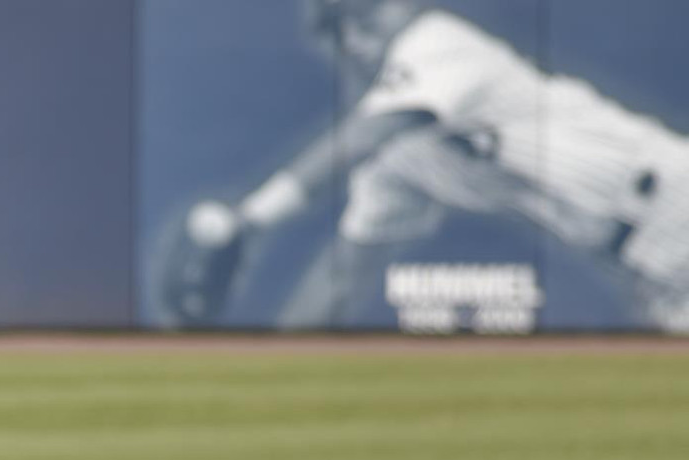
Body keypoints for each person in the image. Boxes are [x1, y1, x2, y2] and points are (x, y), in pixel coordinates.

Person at [181, 0, 689, 330]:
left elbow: (362, 137)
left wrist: (249, 219)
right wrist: (274, 362)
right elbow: (344, 274)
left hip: (671, 197)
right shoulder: (395, 158)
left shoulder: (437, 42)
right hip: (643, 260)